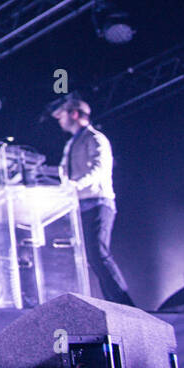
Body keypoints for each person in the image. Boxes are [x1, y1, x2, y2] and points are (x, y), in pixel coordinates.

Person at [51, 96, 136, 306]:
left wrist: (74, 186)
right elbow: (63, 174)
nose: (60, 121)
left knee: (98, 252)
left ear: (74, 114)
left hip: (98, 202)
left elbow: (99, 169)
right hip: (79, 206)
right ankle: (113, 302)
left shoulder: (95, 138)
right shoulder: (70, 144)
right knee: (91, 257)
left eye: (62, 115)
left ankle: (125, 304)